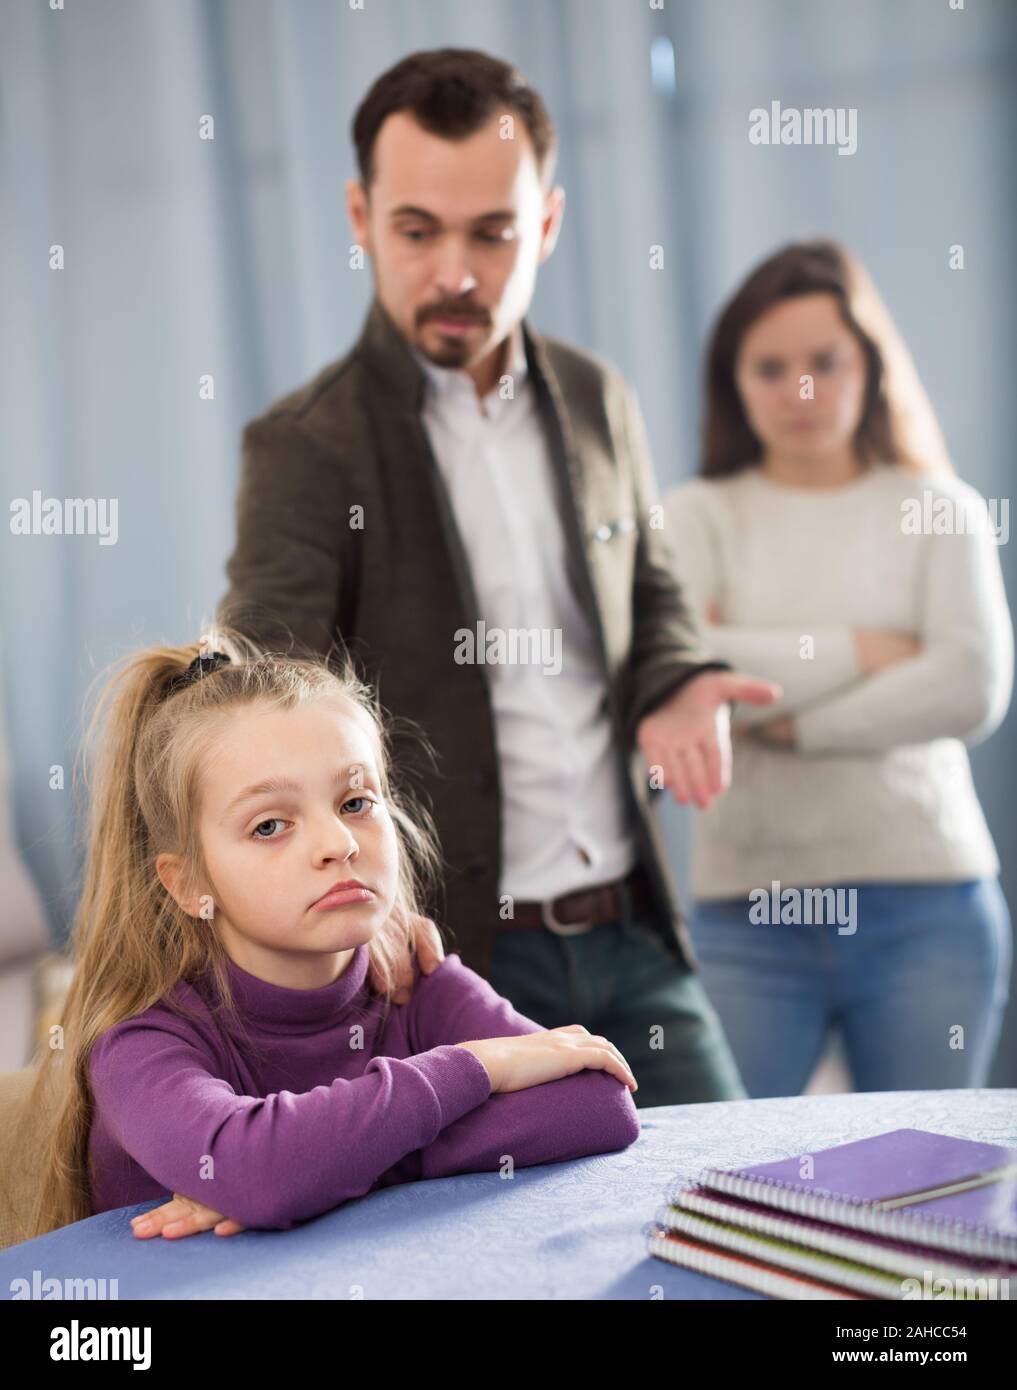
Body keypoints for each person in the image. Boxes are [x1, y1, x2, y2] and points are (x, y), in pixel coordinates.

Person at [217, 47, 780, 1110]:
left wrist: (678, 679)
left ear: (549, 223)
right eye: (417, 231)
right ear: (360, 214)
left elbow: (650, 590)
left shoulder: (598, 396)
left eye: (493, 232)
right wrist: (356, 896)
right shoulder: (305, 446)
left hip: (632, 924)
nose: (457, 273)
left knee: (734, 1208)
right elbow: (265, 701)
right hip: (453, 958)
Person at [23, 626, 643, 1241]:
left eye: (355, 803)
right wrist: (479, 1068)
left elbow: (596, 1103)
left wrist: (319, 1170)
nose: (338, 844)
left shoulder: (411, 981)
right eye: (270, 825)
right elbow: (247, 1170)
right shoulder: (140, 1042)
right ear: (187, 884)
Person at [663, 239, 1013, 1097]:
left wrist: (788, 721)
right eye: (769, 368)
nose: (801, 391)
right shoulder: (691, 516)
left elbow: (969, 686)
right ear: (732, 383)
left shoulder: (941, 510)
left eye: (825, 361)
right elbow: (682, 669)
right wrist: (867, 650)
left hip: (926, 905)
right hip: (748, 914)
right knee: (735, 1190)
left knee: (931, 1190)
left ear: (871, 363)